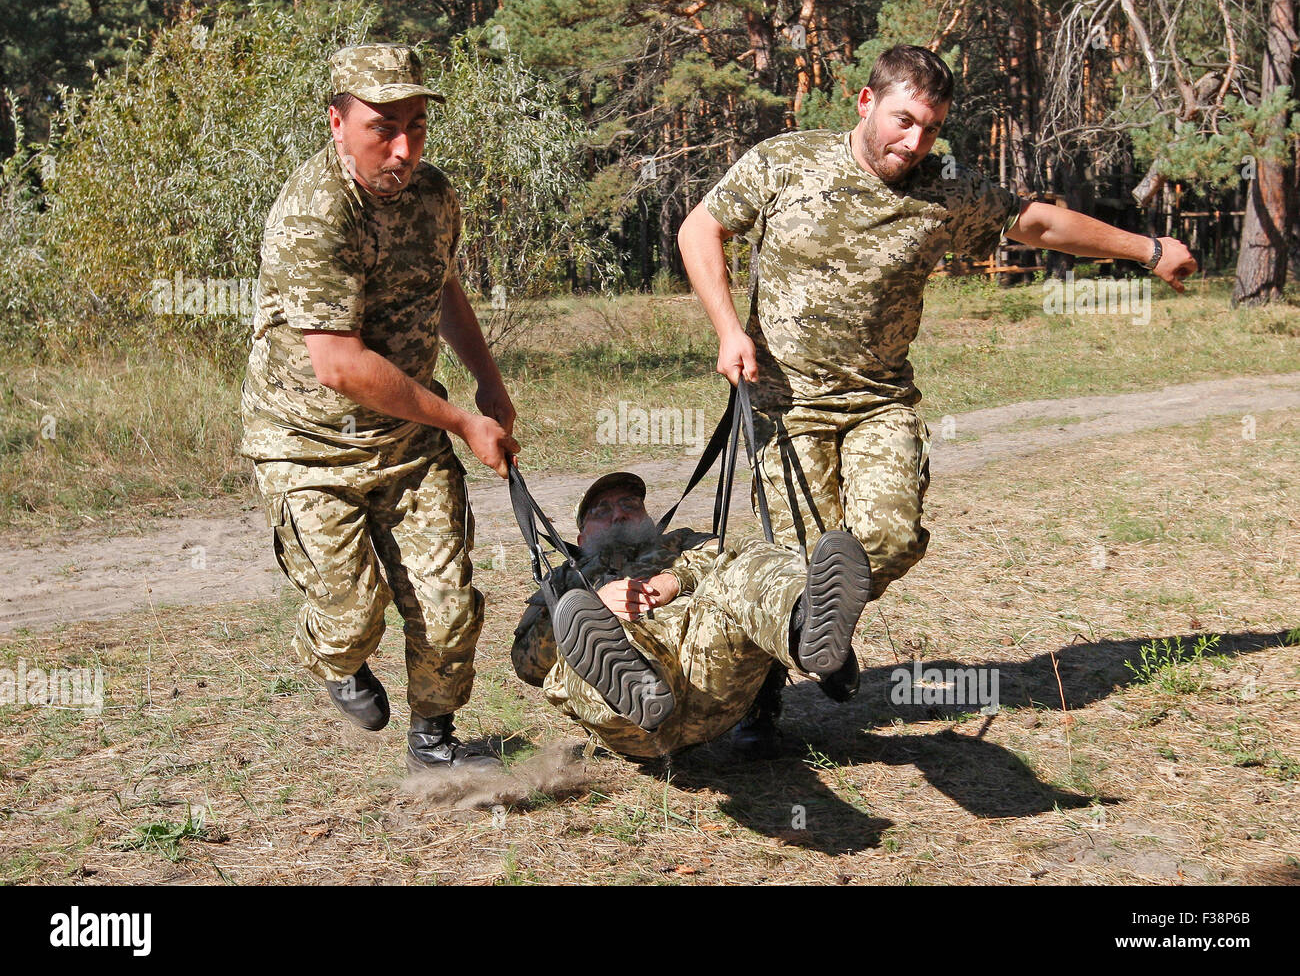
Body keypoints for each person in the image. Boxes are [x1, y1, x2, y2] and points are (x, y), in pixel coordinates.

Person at [677, 44, 1199, 754]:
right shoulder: (785, 162)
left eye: (931, 128)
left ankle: (820, 638)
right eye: (902, 121)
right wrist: (728, 327)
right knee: (798, 564)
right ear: (865, 104)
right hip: (785, 403)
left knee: (886, 537)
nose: (915, 141)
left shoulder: (945, 190)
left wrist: (1146, 249)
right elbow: (698, 227)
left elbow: (1039, 224)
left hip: (878, 402)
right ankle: (761, 695)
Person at [241, 43, 520, 773]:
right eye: (382, 128)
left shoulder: (433, 194)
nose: (403, 149)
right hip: (308, 445)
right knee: (350, 617)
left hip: (407, 440)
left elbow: (443, 285)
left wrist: (487, 381)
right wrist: (462, 419)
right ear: (336, 122)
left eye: (418, 127)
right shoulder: (313, 213)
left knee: (449, 605)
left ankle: (434, 744)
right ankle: (334, 656)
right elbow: (337, 364)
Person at [510, 472, 872, 759]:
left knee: (745, 559)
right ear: (581, 535)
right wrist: (595, 601)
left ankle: (803, 630)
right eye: (601, 511)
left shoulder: (680, 543)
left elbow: (731, 557)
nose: (619, 513)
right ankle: (634, 679)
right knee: (587, 628)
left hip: (709, 674)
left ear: (649, 518)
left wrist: (674, 578)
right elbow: (527, 664)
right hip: (628, 718)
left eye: (630, 505)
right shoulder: (563, 579)